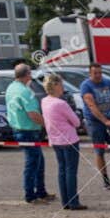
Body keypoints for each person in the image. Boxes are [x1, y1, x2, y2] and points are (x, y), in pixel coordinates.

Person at [4, 63, 53, 204]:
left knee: (38, 162)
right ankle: (31, 196)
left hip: (20, 129)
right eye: (30, 73)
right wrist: (49, 126)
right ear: (27, 75)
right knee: (32, 164)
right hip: (28, 131)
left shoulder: (11, 88)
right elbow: (33, 115)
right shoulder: (25, 92)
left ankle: (41, 192)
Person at [41, 75, 87, 211]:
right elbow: (77, 122)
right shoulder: (61, 103)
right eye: (61, 84)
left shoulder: (44, 101)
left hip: (55, 140)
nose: (63, 87)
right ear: (55, 86)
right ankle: (74, 201)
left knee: (62, 170)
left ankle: (66, 201)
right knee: (71, 171)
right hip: (69, 140)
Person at [79, 61, 110, 189]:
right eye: (95, 73)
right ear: (90, 73)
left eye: (100, 72)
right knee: (100, 151)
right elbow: (91, 105)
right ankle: (106, 180)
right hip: (94, 122)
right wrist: (104, 121)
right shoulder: (86, 86)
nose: (98, 75)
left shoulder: (108, 83)